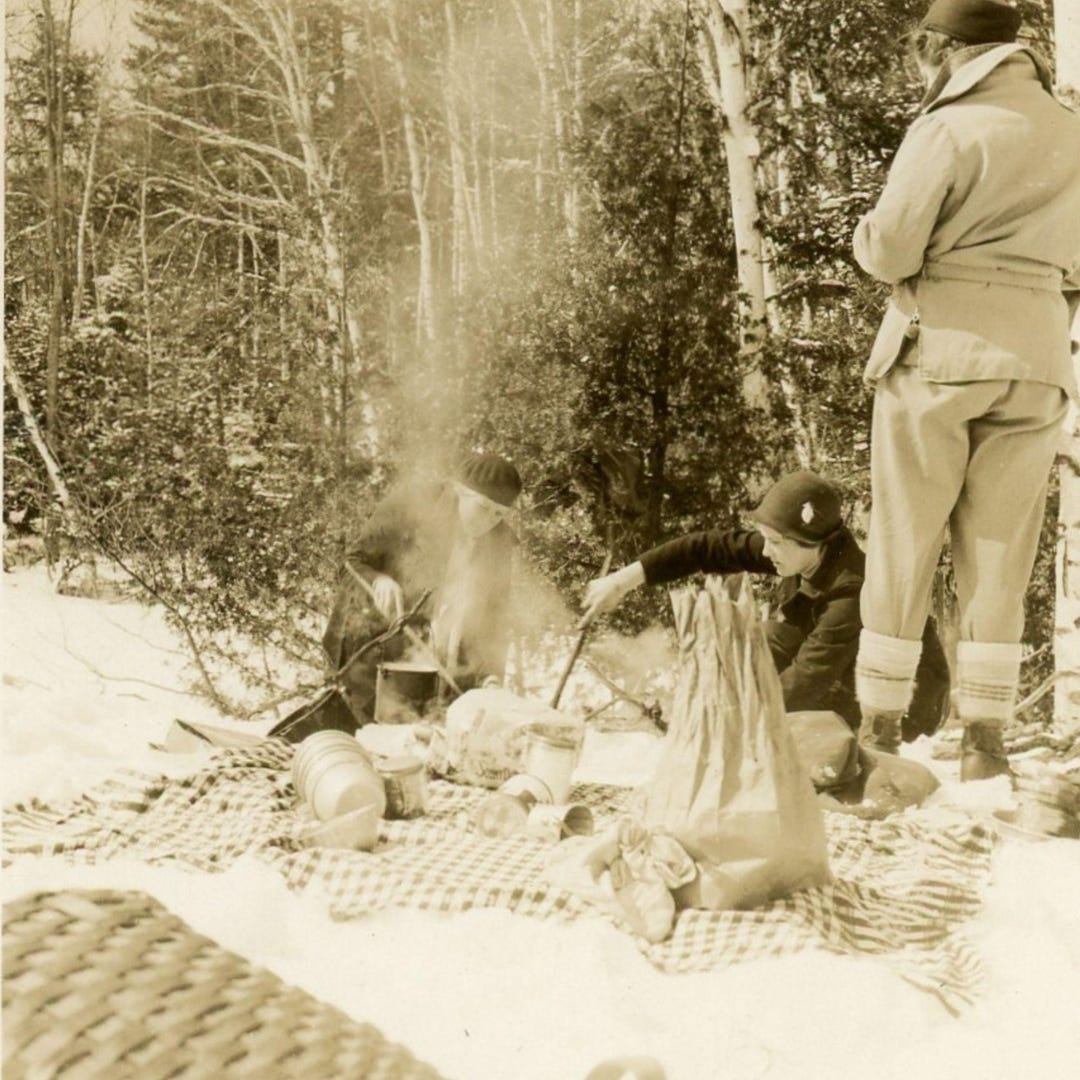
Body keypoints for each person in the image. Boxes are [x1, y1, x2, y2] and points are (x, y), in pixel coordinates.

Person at [851, 0, 1080, 779]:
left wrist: (866, 233)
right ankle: (984, 738)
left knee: (905, 543)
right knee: (1002, 554)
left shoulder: (944, 127)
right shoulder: (1070, 127)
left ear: (942, 50)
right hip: (1039, 356)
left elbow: (889, 250)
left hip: (940, 350)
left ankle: (878, 727)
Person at [581, 471, 950, 739]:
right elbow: (702, 548)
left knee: (773, 665)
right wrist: (621, 581)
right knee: (764, 645)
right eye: (765, 539)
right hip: (834, 677)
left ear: (812, 543)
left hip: (906, 703)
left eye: (775, 542)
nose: (765, 550)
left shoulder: (852, 590)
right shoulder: (796, 552)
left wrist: (719, 723)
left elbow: (804, 682)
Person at [321, 453, 522, 729]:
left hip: (434, 664)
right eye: (483, 507)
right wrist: (379, 580)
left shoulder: (499, 542)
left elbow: (495, 615)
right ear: (460, 491)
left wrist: (491, 676)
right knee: (354, 744)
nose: (490, 520)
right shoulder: (412, 506)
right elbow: (351, 563)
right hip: (368, 650)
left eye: (499, 513)